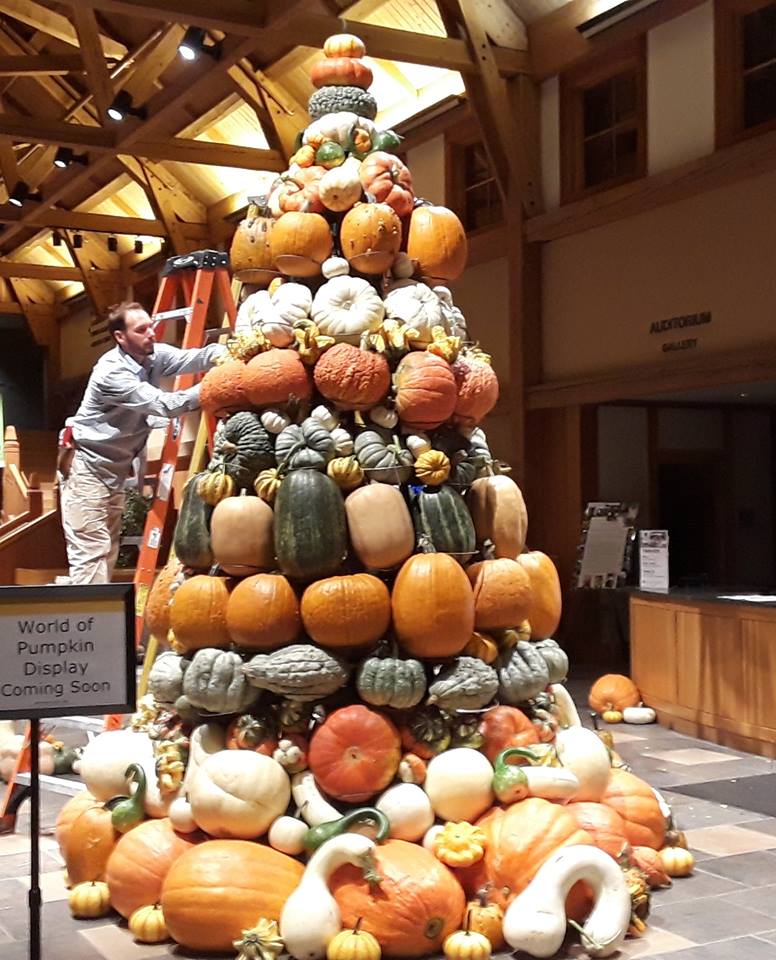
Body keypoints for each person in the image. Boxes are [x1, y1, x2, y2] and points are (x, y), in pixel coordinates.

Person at [60, 300, 223, 584]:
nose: (151, 333)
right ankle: (89, 624)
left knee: (106, 551)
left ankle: (98, 623)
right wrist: (216, 384)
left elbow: (193, 358)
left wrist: (229, 353)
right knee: (91, 556)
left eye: (151, 326)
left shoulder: (152, 356)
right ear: (120, 337)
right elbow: (168, 405)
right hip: (87, 469)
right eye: (141, 330)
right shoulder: (112, 372)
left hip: (112, 470)